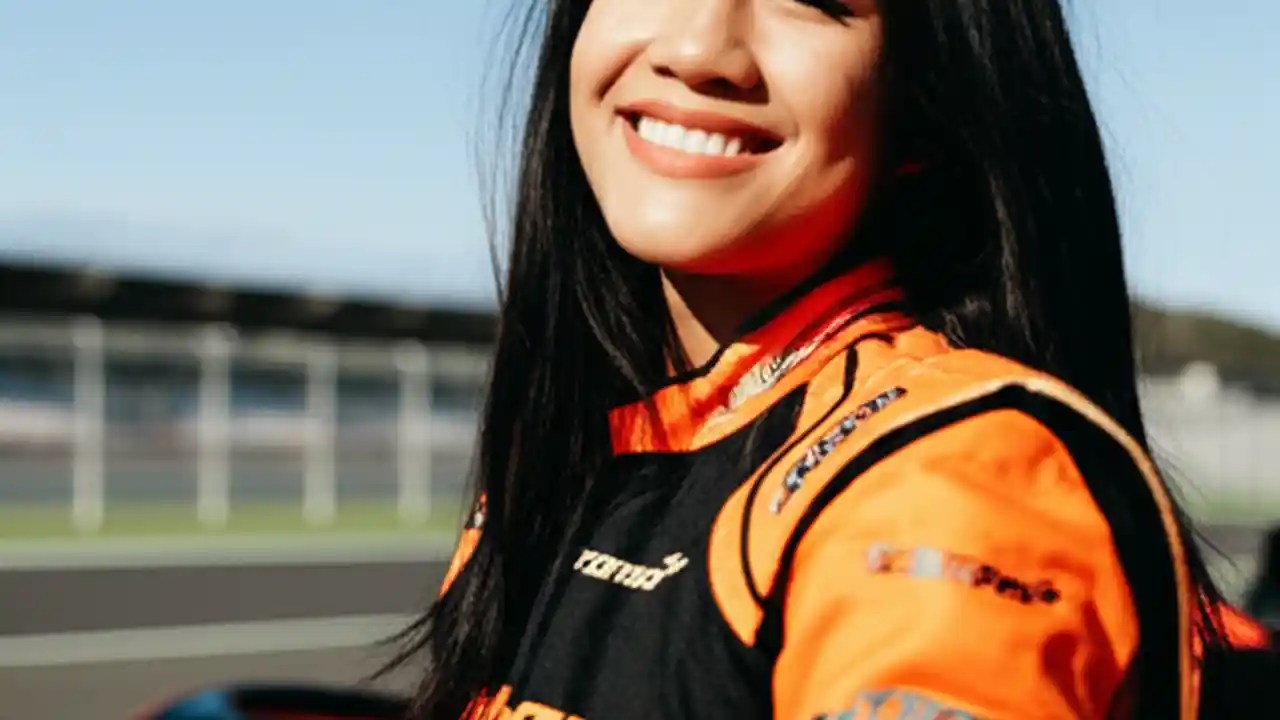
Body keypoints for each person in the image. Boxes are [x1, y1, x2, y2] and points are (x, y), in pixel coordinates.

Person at [386, 1, 1273, 718]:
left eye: (809, 0)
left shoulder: (951, 470)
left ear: (930, 103)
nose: (701, 46)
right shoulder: (596, 442)